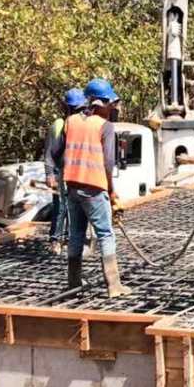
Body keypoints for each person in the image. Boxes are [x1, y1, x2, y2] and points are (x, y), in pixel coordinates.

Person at [52, 78, 130, 297]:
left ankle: (73, 284)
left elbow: (56, 152)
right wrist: (111, 190)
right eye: (111, 103)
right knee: (105, 234)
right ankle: (113, 285)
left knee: (76, 233)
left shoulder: (71, 121)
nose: (113, 108)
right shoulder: (105, 126)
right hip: (95, 187)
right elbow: (108, 163)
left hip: (73, 186)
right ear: (100, 103)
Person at [44, 88, 87, 255]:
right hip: (61, 172)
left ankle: (71, 239)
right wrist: (50, 174)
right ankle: (55, 240)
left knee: (75, 207)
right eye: (77, 109)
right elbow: (50, 152)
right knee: (60, 206)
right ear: (68, 108)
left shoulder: (80, 125)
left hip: (77, 172)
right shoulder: (59, 125)